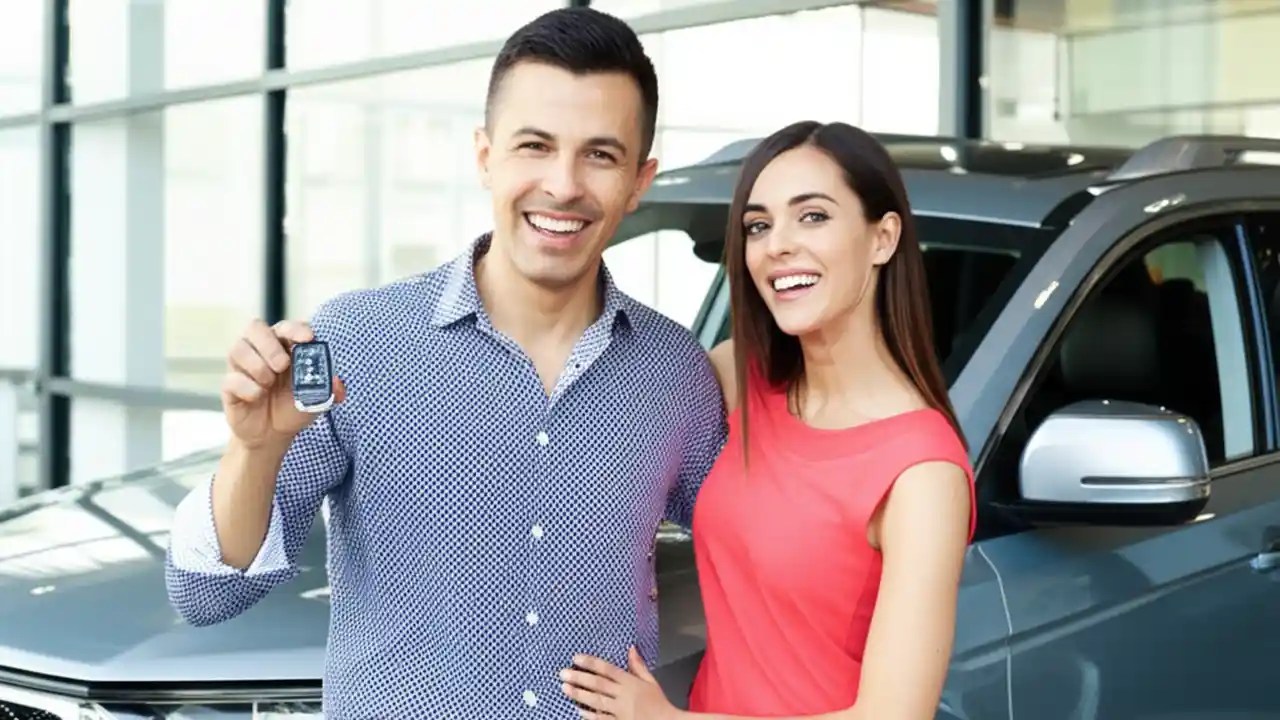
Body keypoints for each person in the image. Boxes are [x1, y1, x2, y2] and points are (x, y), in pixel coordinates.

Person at [163, 7, 726, 718]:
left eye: (600, 155)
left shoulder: (677, 374)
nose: (562, 184)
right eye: (534, 146)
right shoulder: (358, 341)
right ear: (486, 156)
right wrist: (255, 449)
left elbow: (765, 561)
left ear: (639, 180)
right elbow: (208, 594)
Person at [560, 121, 976, 720]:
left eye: (812, 217)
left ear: (883, 238)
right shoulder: (739, 378)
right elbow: (587, 435)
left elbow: (891, 717)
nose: (777, 244)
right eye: (759, 225)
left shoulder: (922, 471)